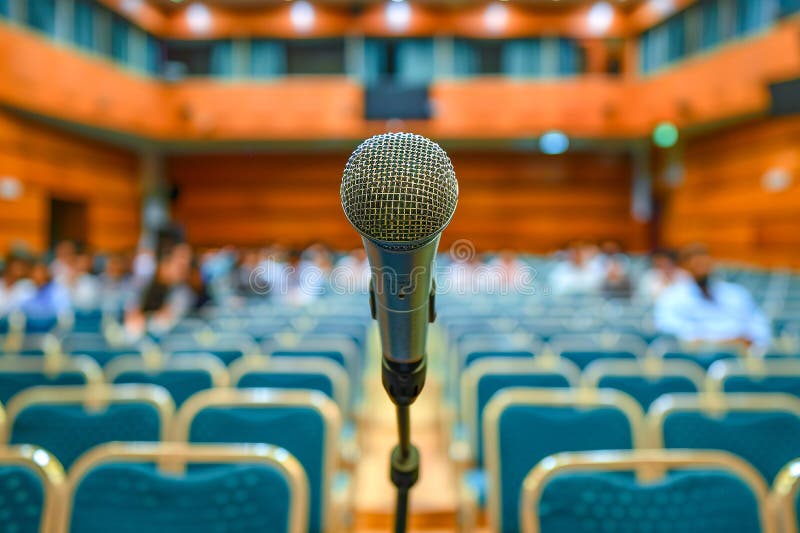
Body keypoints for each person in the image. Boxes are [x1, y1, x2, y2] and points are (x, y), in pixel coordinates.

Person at [654, 244, 771, 350]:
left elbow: (759, 325)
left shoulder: (736, 293)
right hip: (696, 357)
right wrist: (717, 342)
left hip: (740, 356)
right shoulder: (671, 297)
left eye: (703, 260)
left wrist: (749, 339)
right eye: (694, 262)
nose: (700, 265)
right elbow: (670, 329)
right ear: (684, 267)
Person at [19, 258, 71, 323]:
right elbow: (20, 310)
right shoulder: (25, 287)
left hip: (51, 328)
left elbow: (63, 314)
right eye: (34, 272)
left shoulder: (58, 290)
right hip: (30, 328)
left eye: (40, 272)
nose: (37, 276)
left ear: (47, 273)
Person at [0, 251, 35, 317]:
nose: (21, 268)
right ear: (9, 264)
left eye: (24, 265)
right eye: (18, 264)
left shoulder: (27, 286)